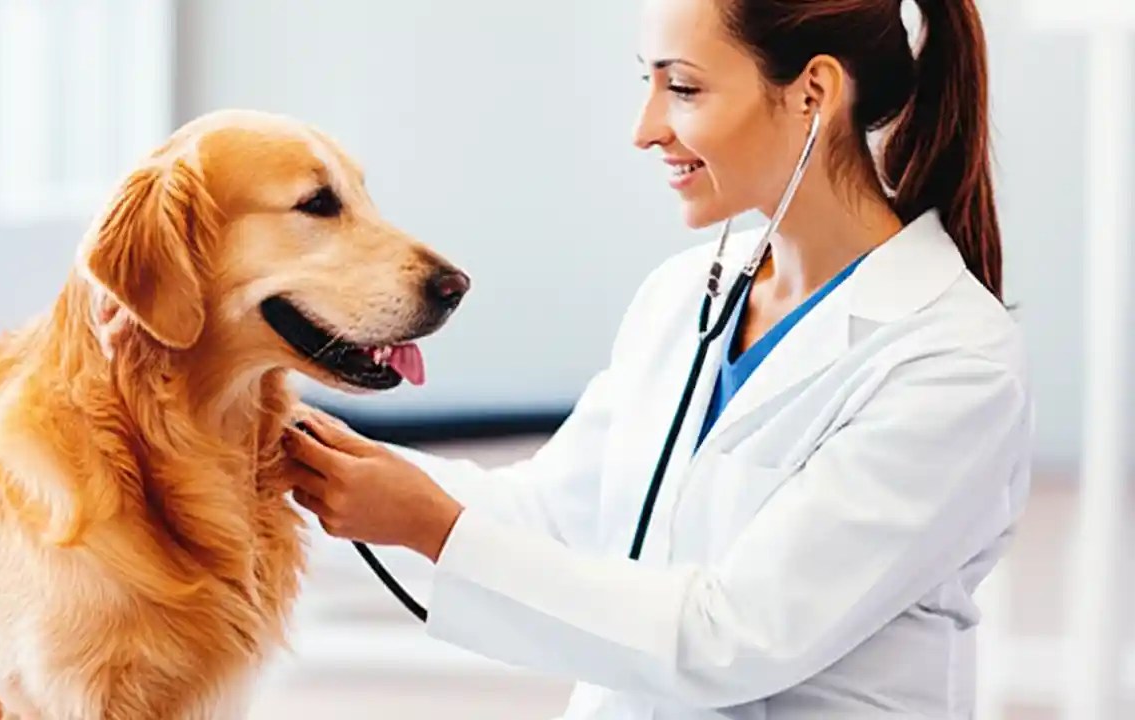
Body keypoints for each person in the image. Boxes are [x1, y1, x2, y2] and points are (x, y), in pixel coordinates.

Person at [281, 0, 1033, 716]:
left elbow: (731, 639)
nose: (645, 129)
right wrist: (311, 467)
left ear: (812, 93)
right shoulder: (683, 300)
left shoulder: (951, 361)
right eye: (649, 81)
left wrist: (433, 527)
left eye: (682, 87)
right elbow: (554, 516)